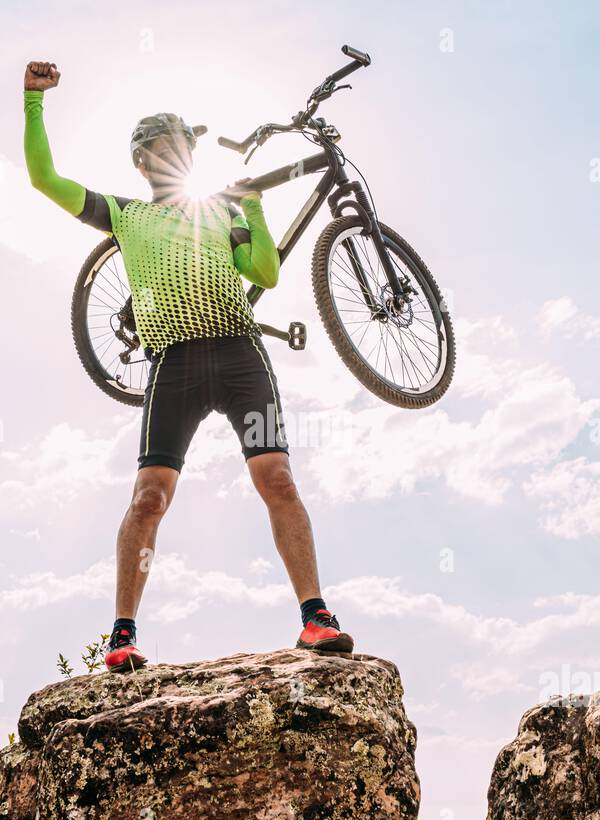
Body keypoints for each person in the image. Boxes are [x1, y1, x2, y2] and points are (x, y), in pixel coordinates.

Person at [22, 60, 353, 672]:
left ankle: (315, 618)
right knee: (149, 495)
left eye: (181, 149)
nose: (171, 157)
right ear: (143, 164)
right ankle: (121, 635)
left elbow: (265, 274)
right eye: (160, 151)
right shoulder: (126, 215)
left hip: (237, 354)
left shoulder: (221, 212)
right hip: (172, 365)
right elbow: (43, 178)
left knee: (277, 480)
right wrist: (34, 100)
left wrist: (252, 210)